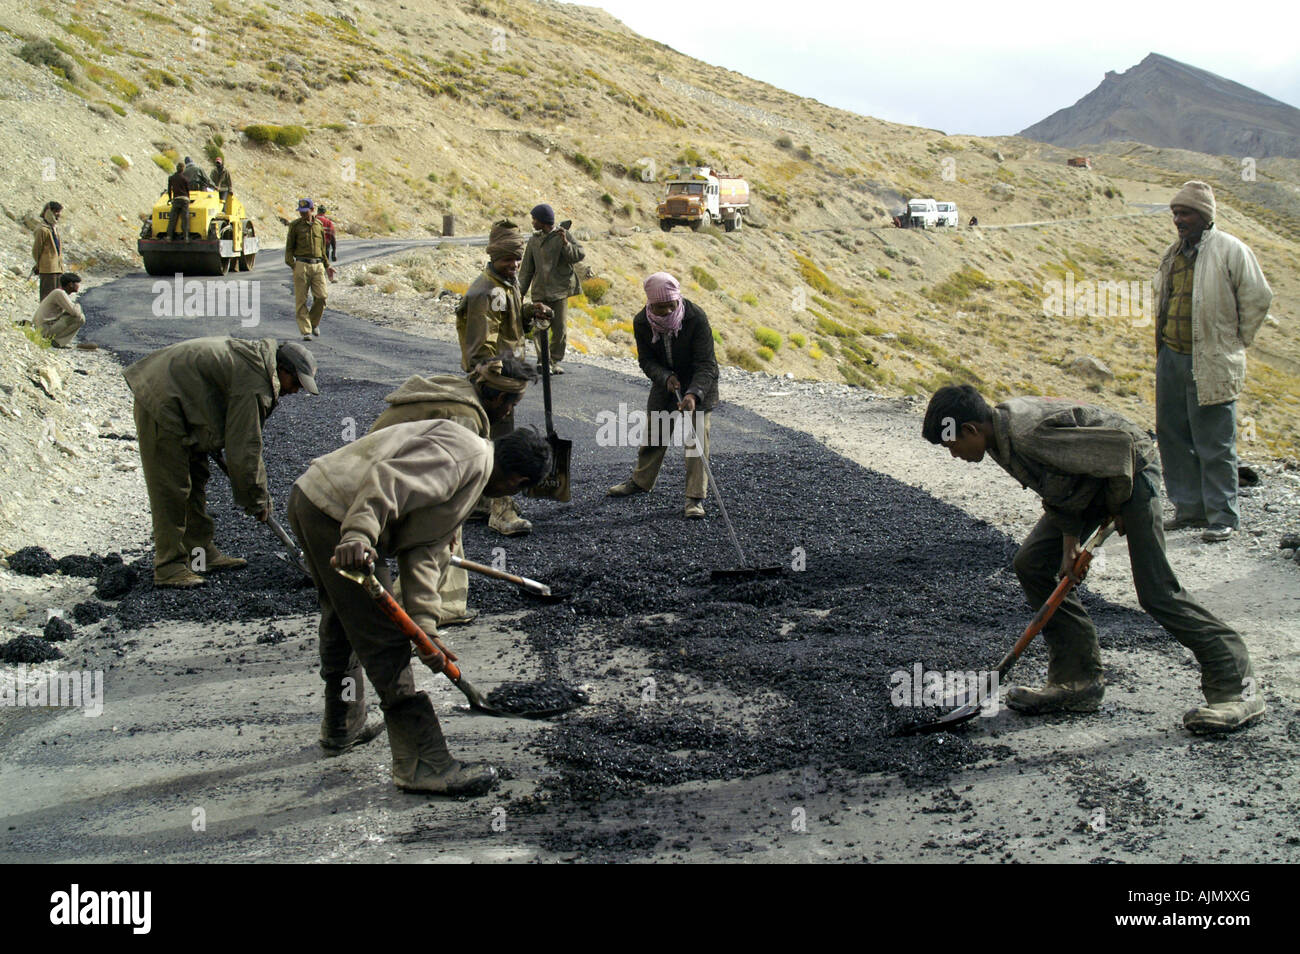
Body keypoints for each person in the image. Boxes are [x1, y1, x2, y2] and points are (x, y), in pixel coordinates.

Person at [923, 384, 1264, 734]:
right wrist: (1071, 542)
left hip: (1130, 472)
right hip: (1092, 484)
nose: (954, 455)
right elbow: (1062, 482)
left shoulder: (1027, 433)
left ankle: (1236, 687)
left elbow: (1118, 450)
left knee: (1157, 591)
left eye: (952, 446)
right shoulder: (997, 434)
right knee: (1033, 564)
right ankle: (1077, 680)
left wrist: (1118, 503)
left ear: (970, 430)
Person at [286, 422, 550, 791]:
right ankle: (422, 764)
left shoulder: (471, 475)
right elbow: (390, 479)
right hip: (337, 514)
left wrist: (425, 628)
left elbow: (425, 551)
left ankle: (343, 725)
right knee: (383, 638)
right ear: (516, 481)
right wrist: (359, 533)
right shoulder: (465, 457)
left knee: (345, 617)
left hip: (316, 500)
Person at [123, 337, 318, 588]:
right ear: (282, 370)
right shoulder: (255, 384)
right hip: (162, 401)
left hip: (184, 405)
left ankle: (199, 555)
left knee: (196, 478)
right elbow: (244, 448)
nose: (295, 391)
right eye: (296, 383)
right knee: (171, 488)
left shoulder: (257, 364)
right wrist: (256, 498)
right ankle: (168, 566)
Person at [367, 354, 537, 626]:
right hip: (380, 481)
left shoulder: (462, 391)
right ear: (495, 398)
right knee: (442, 529)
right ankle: (413, 611)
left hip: (385, 469)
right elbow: (449, 481)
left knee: (449, 526)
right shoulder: (463, 417)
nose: (509, 412)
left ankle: (444, 604)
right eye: (511, 404)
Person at [1154, 180, 1273, 544]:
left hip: (1211, 360)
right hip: (1172, 357)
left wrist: (1235, 341)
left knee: (1215, 440)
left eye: (1185, 212)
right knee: (1173, 436)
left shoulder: (1230, 250)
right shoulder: (1173, 254)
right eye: (1175, 212)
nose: (1178, 219)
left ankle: (1223, 516)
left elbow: (1258, 297)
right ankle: (1189, 509)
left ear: (1205, 216)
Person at [455, 220, 552, 536]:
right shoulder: (484, 292)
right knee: (501, 448)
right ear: (493, 256)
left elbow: (512, 325)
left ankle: (482, 502)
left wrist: (529, 314)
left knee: (487, 443)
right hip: (494, 387)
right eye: (507, 259)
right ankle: (502, 512)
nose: (513, 264)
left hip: (508, 381)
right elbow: (479, 355)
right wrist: (501, 388)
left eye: (517, 259)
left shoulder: (507, 284)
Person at [607, 272, 719, 519]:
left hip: (698, 383)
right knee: (655, 434)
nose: (667, 311)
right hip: (666, 383)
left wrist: (693, 394)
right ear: (650, 304)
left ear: (678, 299)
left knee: (696, 440)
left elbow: (707, 364)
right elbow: (646, 360)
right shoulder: (641, 322)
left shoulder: (696, 318)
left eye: (672, 305)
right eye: (660, 307)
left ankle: (694, 498)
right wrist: (664, 377)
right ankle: (641, 481)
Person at [518, 203, 584, 374]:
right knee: (540, 328)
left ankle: (554, 360)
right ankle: (543, 361)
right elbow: (526, 270)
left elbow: (578, 255)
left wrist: (565, 244)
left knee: (560, 329)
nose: (532, 222)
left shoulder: (563, 235)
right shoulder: (533, 241)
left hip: (560, 290)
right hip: (540, 291)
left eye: (535, 219)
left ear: (543, 221)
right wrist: (519, 293)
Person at [284, 198, 335, 340]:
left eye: (305, 212)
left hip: (318, 265)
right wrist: (293, 265)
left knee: (321, 297)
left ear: (312, 210)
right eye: (301, 212)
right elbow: (289, 247)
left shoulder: (319, 225)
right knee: (301, 300)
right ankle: (306, 331)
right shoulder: (295, 226)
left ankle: (313, 323)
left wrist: (327, 265)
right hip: (301, 264)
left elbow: (323, 248)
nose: (302, 214)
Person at [33, 272, 93, 349]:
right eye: (77, 283)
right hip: (44, 329)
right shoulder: (59, 293)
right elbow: (75, 312)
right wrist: (78, 305)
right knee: (80, 318)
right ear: (71, 284)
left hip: (43, 327)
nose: (79, 285)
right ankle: (58, 342)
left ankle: (57, 341)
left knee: (71, 315)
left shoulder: (59, 293)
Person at [31, 201, 63, 302]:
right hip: (48, 270)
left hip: (57, 268)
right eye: (56, 212)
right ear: (49, 212)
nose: (58, 215)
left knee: (57, 298)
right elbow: (36, 250)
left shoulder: (53, 228)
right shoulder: (42, 229)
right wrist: (40, 265)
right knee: (47, 298)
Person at [165, 166, 191, 242]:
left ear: (176, 168)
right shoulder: (185, 179)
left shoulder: (172, 178)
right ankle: (186, 237)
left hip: (176, 199)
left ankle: (169, 236)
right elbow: (188, 190)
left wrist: (170, 198)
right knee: (185, 218)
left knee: (172, 218)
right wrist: (188, 198)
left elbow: (169, 190)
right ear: (183, 169)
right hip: (185, 200)